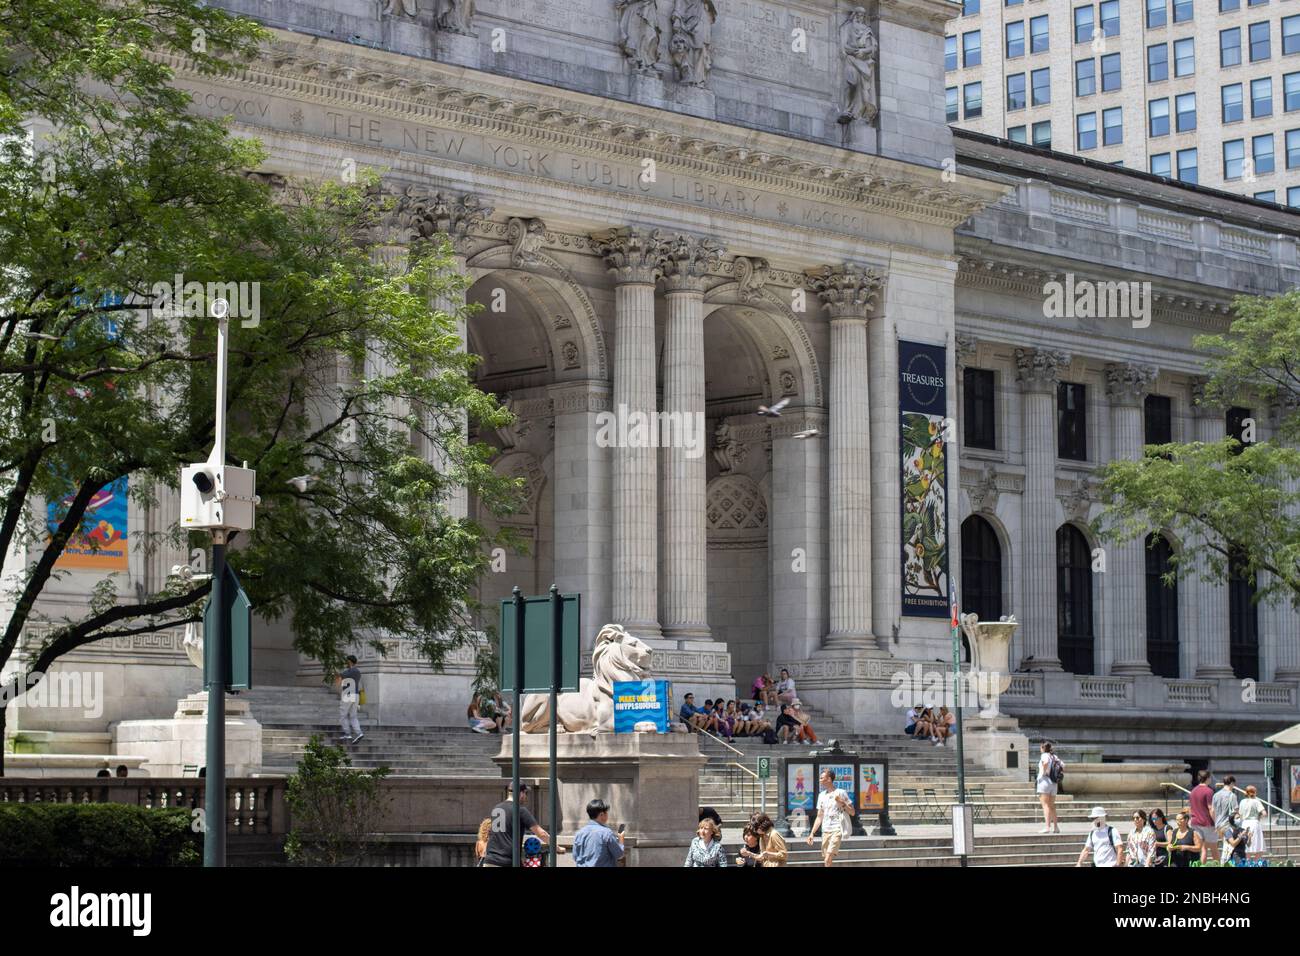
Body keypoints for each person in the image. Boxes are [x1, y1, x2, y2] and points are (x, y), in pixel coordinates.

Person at [482, 782, 550, 867]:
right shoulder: (520, 810)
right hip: (507, 861)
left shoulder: (497, 808)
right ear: (521, 793)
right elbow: (541, 833)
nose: (526, 797)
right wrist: (556, 847)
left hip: (490, 860)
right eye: (526, 793)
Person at [806, 767, 854, 866]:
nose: (819, 780)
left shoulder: (841, 792)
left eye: (821, 778)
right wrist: (812, 833)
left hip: (837, 829)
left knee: (828, 856)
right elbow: (819, 816)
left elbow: (852, 812)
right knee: (827, 860)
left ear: (829, 779)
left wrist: (842, 803)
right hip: (825, 830)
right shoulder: (821, 795)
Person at [573, 798, 624, 867]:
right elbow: (619, 855)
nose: (607, 815)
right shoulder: (606, 833)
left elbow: (575, 857)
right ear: (602, 814)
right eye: (606, 813)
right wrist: (621, 840)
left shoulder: (579, 833)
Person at [1189, 770, 1217, 864]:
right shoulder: (1209, 791)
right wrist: (1217, 822)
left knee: (1203, 849)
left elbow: (1191, 808)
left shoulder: (1193, 791)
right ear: (1207, 778)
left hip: (1195, 822)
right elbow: (1211, 809)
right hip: (1207, 823)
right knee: (1214, 849)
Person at [337, 654, 364, 744]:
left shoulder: (351, 671)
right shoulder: (357, 672)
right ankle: (359, 733)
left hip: (348, 695)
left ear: (350, 661)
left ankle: (347, 733)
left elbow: (340, 676)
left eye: (347, 661)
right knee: (353, 716)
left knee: (343, 715)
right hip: (356, 695)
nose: (346, 663)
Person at [1036, 742, 1061, 834]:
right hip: (1054, 783)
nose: (1040, 749)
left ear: (1043, 748)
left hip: (1045, 781)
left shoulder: (1044, 755)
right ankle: (1056, 827)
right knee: (1052, 805)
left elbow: (1045, 762)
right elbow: (1063, 766)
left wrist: (1043, 772)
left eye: (1040, 747)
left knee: (1045, 805)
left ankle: (1047, 827)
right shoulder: (1054, 756)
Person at [1212, 773, 1239, 858]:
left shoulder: (1216, 795)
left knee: (1225, 845)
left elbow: (1212, 811)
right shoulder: (1232, 795)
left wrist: (1216, 823)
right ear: (1231, 783)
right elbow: (1236, 811)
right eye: (1234, 784)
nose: (1234, 786)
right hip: (1228, 825)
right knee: (1228, 847)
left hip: (1218, 825)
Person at [1238, 785, 1268, 861]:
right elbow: (1264, 813)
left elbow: (1240, 814)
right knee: (1258, 847)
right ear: (1254, 792)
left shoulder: (1242, 801)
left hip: (1244, 824)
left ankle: (1248, 863)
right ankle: (1255, 863)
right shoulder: (1256, 801)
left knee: (1247, 846)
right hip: (1254, 823)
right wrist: (1259, 817)